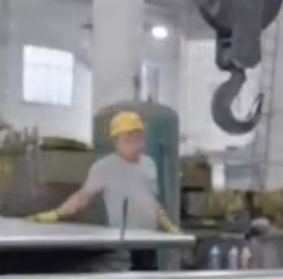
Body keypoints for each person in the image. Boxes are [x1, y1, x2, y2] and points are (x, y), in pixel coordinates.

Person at [32, 110, 178, 270]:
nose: (135, 145)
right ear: (116, 142)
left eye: (138, 139)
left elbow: (151, 200)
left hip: (148, 241)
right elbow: (83, 197)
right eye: (128, 140)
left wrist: (167, 225)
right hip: (122, 242)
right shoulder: (104, 167)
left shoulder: (149, 164)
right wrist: (57, 213)